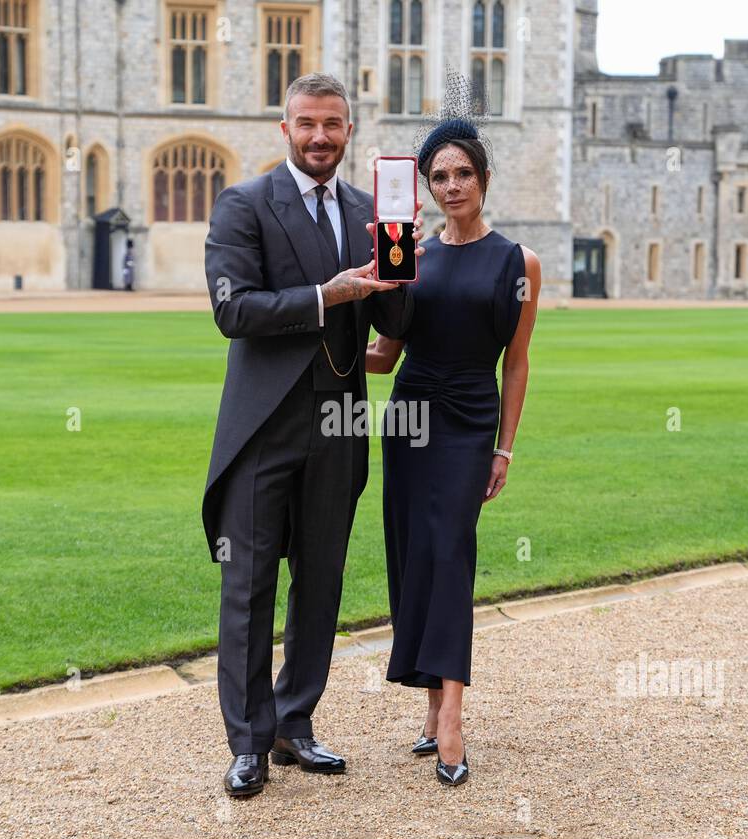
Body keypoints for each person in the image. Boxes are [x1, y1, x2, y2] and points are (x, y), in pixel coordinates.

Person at [202, 73, 425, 798]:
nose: (320, 136)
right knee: (250, 587)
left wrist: (401, 272)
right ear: (285, 129)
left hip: (341, 422)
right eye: (307, 124)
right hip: (263, 426)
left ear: (349, 130)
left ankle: (296, 724)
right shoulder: (244, 204)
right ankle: (248, 743)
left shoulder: (369, 209)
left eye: (333, 124)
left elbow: (394, 328)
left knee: (321, 582)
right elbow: (234, 310)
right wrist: (330, 294)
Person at [366, 100, 540, 786]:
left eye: (462, 172)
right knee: (414, 556)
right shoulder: (411, 253)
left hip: (470, 422)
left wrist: (506, 446)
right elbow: (384, 355)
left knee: (451, 552)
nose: (450, 186)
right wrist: (325, 331)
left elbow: (517, 361)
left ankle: (455, 716)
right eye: (438, 176)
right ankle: (433, 705)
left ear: (484, 179)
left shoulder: (518, 261)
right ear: (427, 186)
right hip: (410, 419)